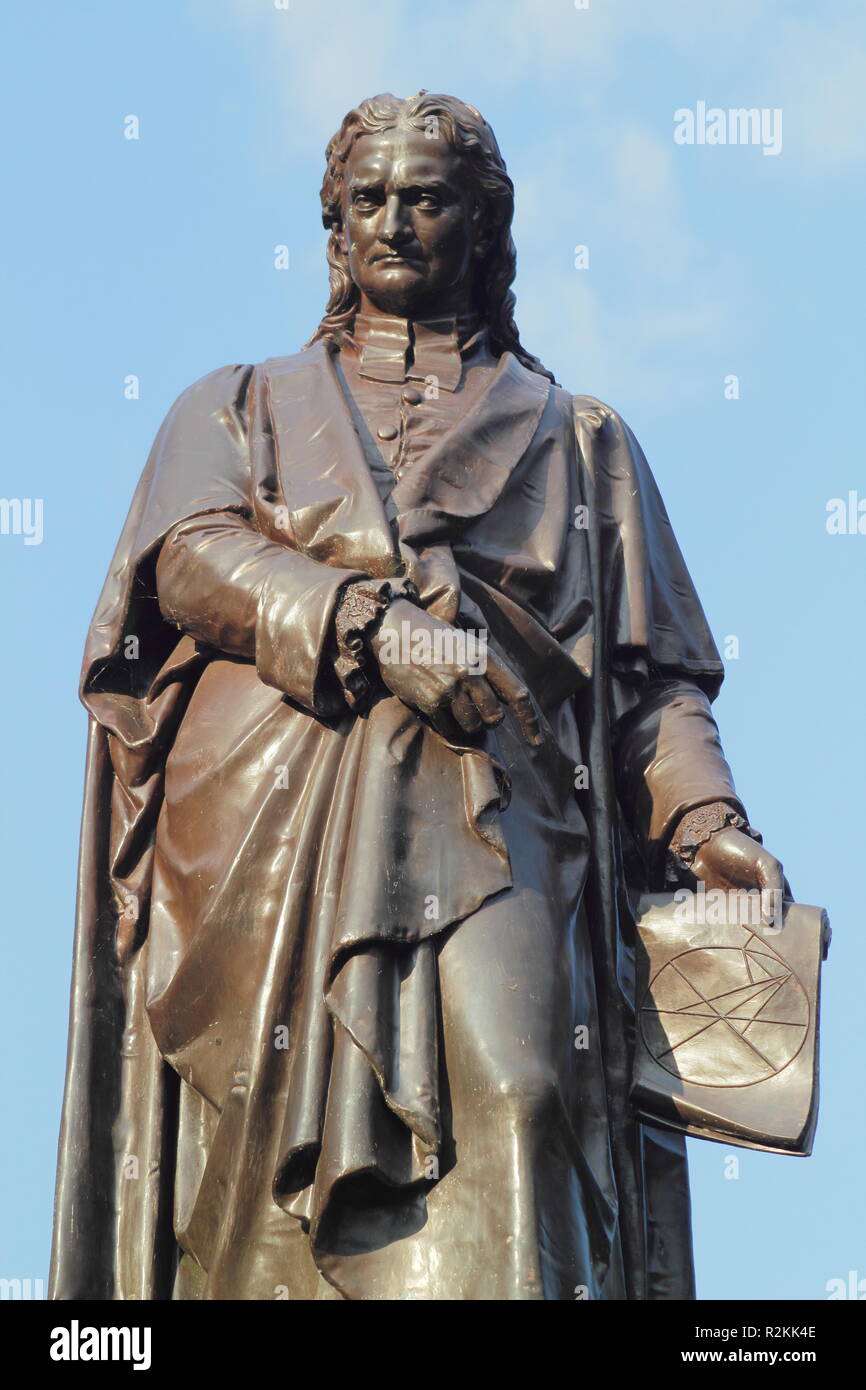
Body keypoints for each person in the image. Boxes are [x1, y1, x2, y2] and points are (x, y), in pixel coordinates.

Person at [50, 91, 784, 1301]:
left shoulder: (580, 440)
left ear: (482, 223)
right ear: (334, 228)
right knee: (255, 1158)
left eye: (427, 198)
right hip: (273, 820)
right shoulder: (235, 404)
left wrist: (706, 820)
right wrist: (366, 623)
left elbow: (649, 684)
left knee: (523, 1091)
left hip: (499, 802)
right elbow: (185, 557)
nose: (393, 222)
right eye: (367, 199)